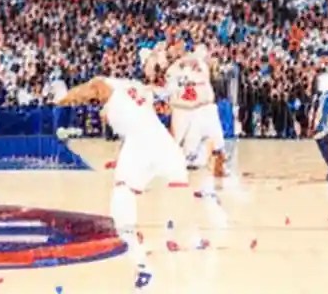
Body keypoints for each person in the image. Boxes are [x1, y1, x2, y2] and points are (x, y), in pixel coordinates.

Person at [56, 74, 187, 290]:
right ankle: (180, 238)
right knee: (176, 190)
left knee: (121, 204)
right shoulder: (131, 87)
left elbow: (90, 89)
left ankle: (142, 262)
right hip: (162, 142)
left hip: (141, 145)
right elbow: (139, 111)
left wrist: (63, 99)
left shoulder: (106, 87)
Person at [163, 41, 226, 188]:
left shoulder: (200, 64)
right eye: (173, 50)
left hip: (205, 107)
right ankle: (175, 167)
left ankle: (219, 167)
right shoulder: (172, 71)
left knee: (218, 143)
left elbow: (205, 59)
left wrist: (193, 58)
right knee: (186, 150)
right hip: (187, 109)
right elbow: (172, 91)